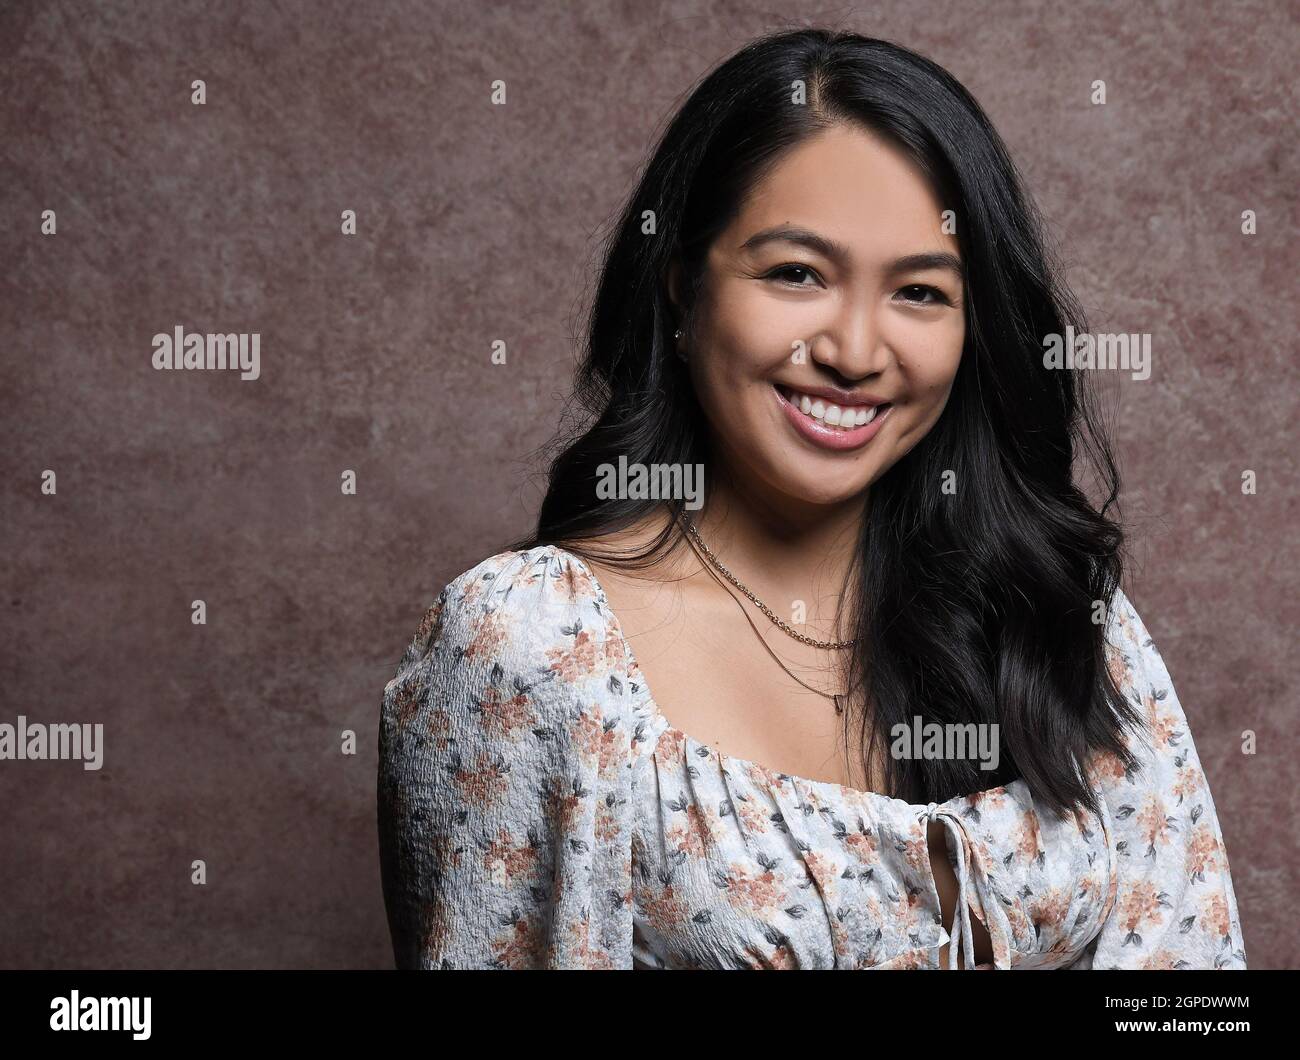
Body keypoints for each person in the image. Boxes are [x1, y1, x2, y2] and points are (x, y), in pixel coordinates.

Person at [376, 28, 1246, 970]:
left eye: (919, 292)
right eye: (796, 273)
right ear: (680, 291)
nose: (856, 351)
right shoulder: (531, 647)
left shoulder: (1058, 609)